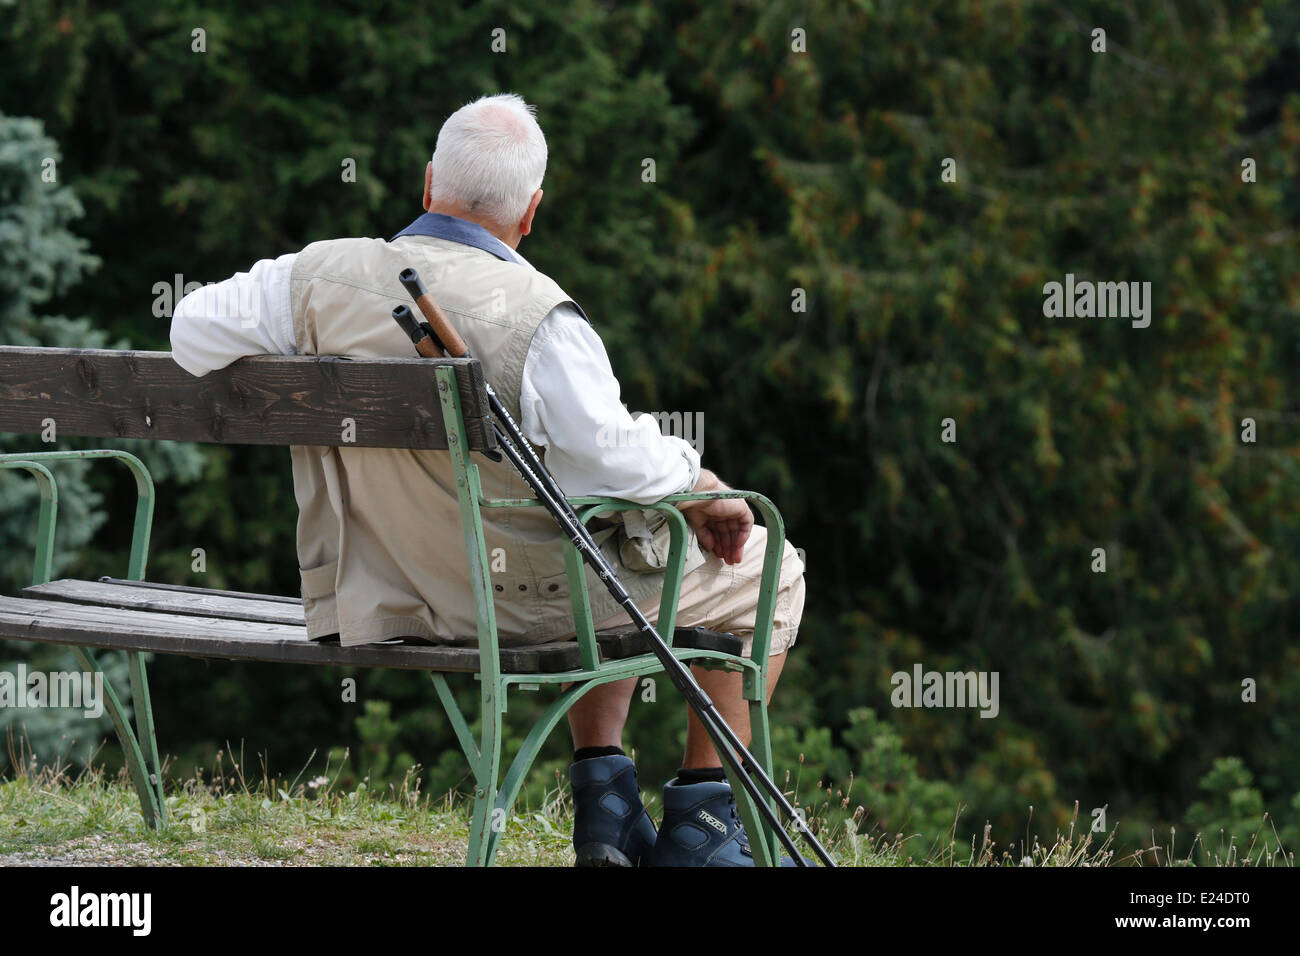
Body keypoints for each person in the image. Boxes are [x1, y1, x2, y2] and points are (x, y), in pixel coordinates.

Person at [169, 92, 805, 867]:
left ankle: (606, 800)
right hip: (515, 607)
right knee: (768, 569)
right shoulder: (541, 317)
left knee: (603, 540)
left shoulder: (310, 275)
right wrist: (700, 477)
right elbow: (613, 461)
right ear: (530, 212)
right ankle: (704, 826)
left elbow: (190, 329)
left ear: (428, 181)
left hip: (384, 590)